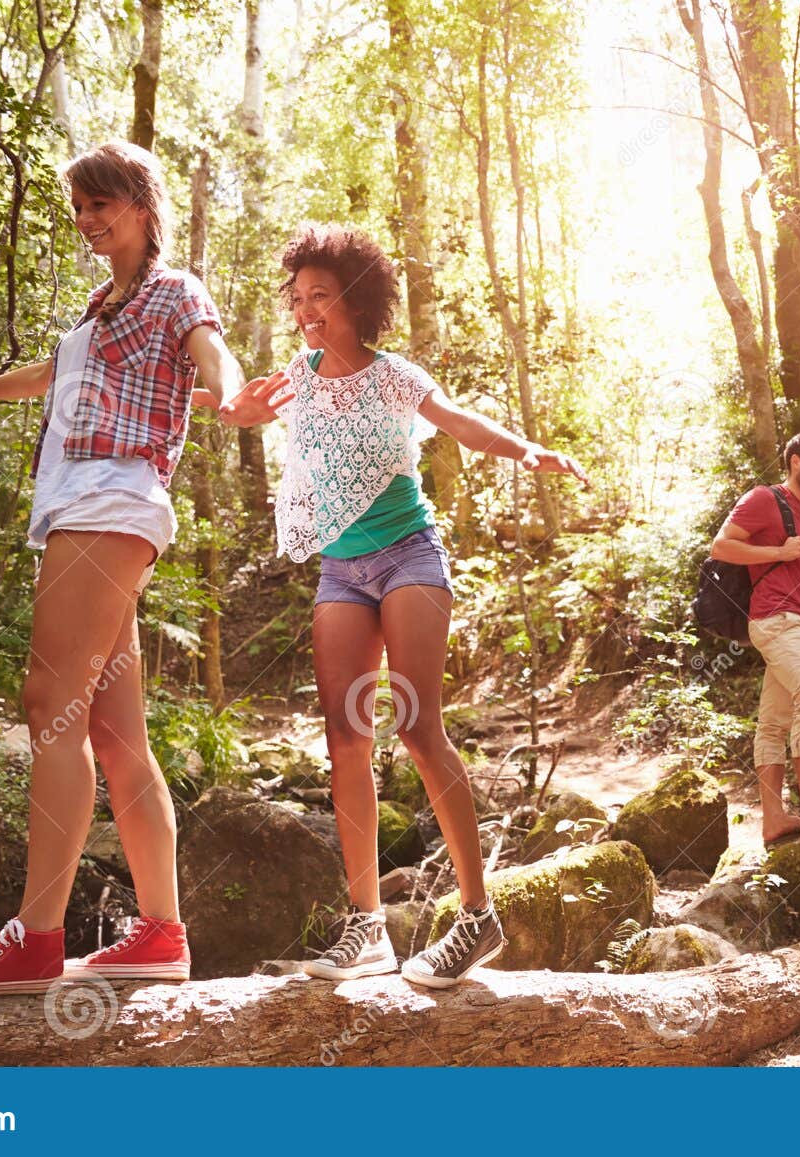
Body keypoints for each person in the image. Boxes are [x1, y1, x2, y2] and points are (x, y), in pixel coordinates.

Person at [0, 141, 244, 996]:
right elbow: (46, 376)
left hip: (110, 502)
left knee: (48, 704)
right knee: (113, 731)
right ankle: (162, 934)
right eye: (81, 208)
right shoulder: (97, 311)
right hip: (83, 508)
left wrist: (233, 396)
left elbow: (211, 357)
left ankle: (35, 938)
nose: (90, 220)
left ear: (140, 203)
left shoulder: (175, 292)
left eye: (103, 204)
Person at [215, 223, 586, 987]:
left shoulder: (395, 377)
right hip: (342, 570)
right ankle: (368, 929)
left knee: (418, 727)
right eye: (299, 296)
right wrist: (235, 410)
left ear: (356, 299)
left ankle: (477, 914)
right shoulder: (297, 375)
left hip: (410, 558)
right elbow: (244, 413)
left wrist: (525, 449)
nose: (307, 307)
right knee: (345, 739)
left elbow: (456, 421)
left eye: (322, 294)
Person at [710, 431, 800, 849]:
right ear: (795, 462)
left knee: (773, 722)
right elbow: (721, 547)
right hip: (775, 619)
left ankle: (772, 819)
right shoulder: (763, 499)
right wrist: (778, 552)